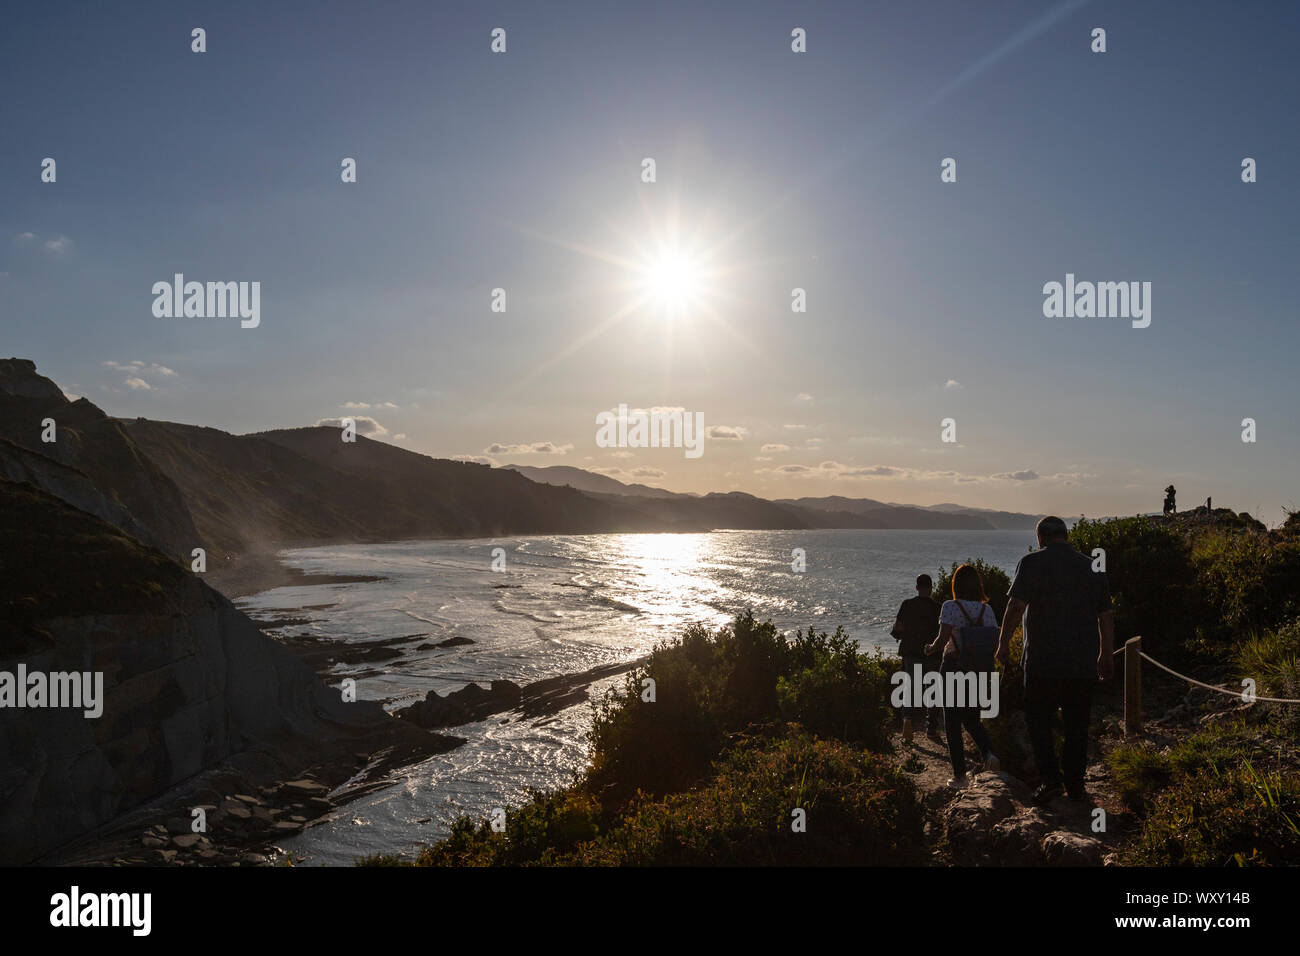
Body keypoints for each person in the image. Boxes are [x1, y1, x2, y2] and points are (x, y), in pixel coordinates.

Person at [997, 516, 1115, 804]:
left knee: (1039, 722)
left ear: (1041, 538)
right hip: (1082, 661)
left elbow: (1015, 607)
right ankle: (1075, 785)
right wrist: (1106, 654)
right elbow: (1106, 616)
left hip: (1041, 661)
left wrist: (1002, 644)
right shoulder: (1092, 566)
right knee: (1077, 724)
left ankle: (1051, 782)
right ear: (1066, 535)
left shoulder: (1032, 563)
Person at [925, 564, 1000, 788]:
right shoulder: (987, 610)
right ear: (978, 586)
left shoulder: (950, 606)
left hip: (954, 668)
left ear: (955, 585)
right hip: (978, 671)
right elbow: (994, 642)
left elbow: (942, 639)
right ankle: (989, 754)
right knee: (972, 718)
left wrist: (930, 648)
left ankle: (960, 777)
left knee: (952, 722)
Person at [891, 574, 942, 743]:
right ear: (931, 587)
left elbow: (898, 626)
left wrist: (901, 634)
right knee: (932, 690)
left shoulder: (907, 604)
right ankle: (931, 729)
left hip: (911, 652)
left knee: (910, 688)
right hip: (932, 654)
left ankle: (907, 720)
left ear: (917, 587)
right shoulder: (938, 607)